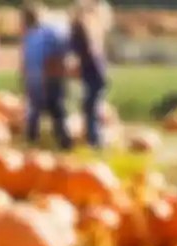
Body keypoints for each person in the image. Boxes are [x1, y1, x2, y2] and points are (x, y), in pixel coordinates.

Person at [21, 4, 72, 149]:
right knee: (45, 110)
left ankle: (60, 140)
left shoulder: (41, 35)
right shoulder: (36, 34)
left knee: (51, 109)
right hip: (42, 78)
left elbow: (48, 58)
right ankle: (55, 140)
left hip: (45, 78)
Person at [70, 0, 109, 149]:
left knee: (91, 106)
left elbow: (85, 55)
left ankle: (94, 139)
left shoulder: (82, 30)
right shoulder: (87, 30)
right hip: (94, 73)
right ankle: (93, 137)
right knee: (91, 106)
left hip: (93, 73)